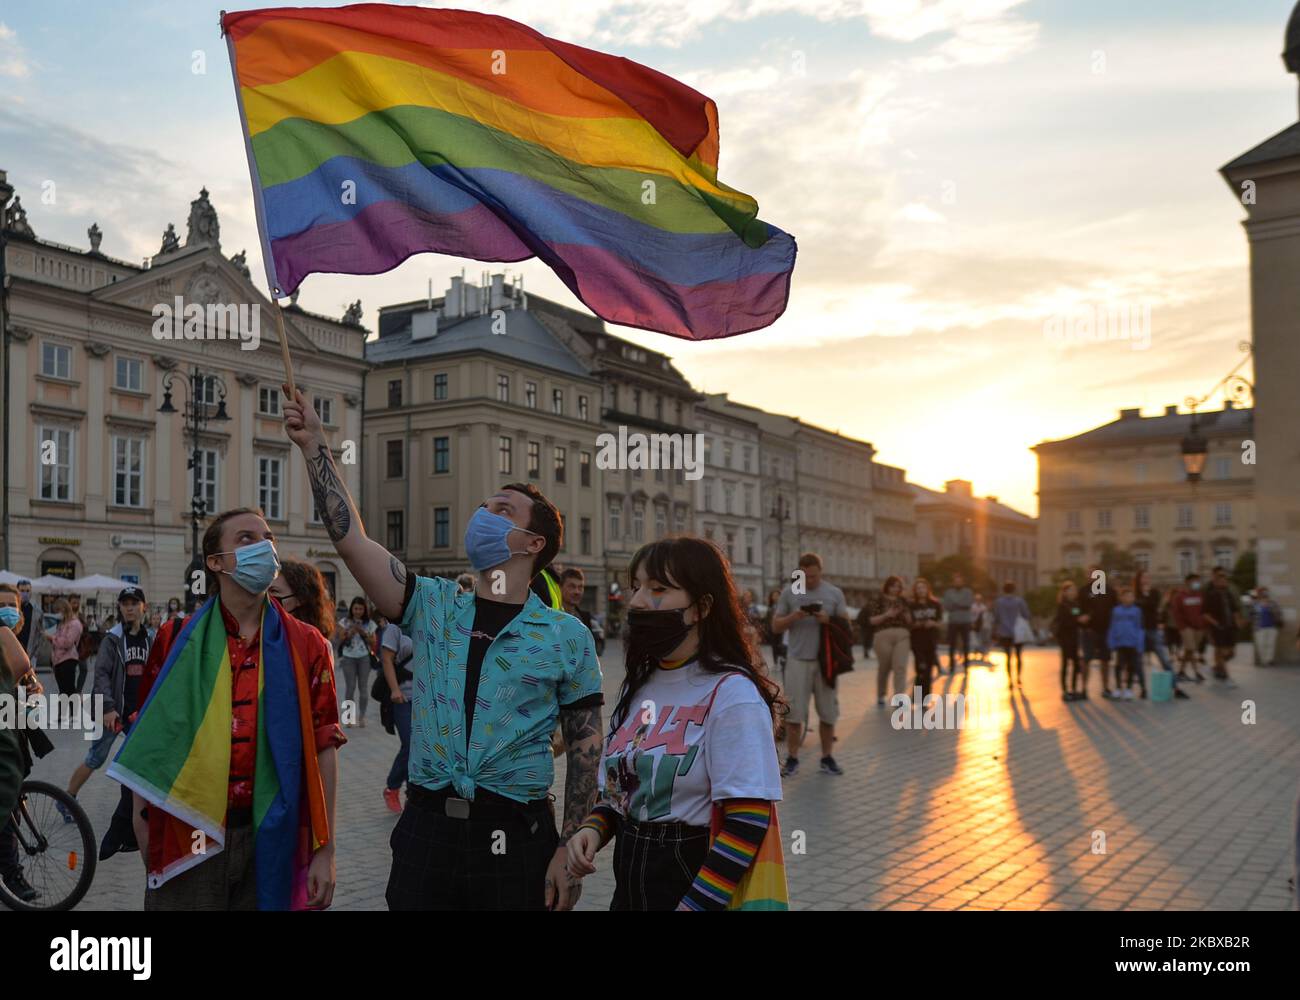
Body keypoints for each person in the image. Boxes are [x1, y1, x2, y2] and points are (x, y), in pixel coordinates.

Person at [284, 386, 603, 911]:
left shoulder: (566, 637)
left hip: (516, 837)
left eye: (502, 509)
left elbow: (587, 752)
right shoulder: (433, 604)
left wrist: (568, 851)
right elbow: (351, 541)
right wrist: (316, 447)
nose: (484, 514)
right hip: (429, 829)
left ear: (533, 543)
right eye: (484, 506)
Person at [110, 508, 344, 911]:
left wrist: (326, 849)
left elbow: (325, 746)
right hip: (188, 829)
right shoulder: (176, 638)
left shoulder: (307, 645)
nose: (264, 546)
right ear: (216, 563)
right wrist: (141, 818)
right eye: (246, 539)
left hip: (271, 831)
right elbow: (150, 733)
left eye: (268, 537)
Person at [566, 537, 785, 910]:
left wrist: (695, 905)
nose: (636, 601)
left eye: (658, 589)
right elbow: (623, 790)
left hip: (695, 885)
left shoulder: (732, 694)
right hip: (631, 889)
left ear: (701, 607)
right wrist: (593, 828)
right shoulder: (641, 684)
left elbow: (747, 819)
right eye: (635, 587)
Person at [65, 587, 152, 855]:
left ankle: (136, 816)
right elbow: (101, 675)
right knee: (96, 757)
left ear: (143, 607)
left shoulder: (151, 638)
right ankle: (67, 799)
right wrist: (108, 708)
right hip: (112, 713)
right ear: (120, 608)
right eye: (125, 603)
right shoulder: (113, 640)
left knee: (141, 762)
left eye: (134, 603)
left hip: (139, 714)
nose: (129, 608)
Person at [771, 552, 847, 777]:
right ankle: (792, 758)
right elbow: (775, 627)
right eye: (805, 576)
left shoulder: (834, 593)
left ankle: (827, 757)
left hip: (826, 661)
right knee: (794, 714)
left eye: (813, 576)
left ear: (820, 572)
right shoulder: (789, 592)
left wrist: (828, 620)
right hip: (797, 659)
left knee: (828, 712)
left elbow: (847, 626)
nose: (810, 581)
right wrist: (794, 617)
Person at [0, 583, 42, 902]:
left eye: (11, 606)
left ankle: (11, 872)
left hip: (14, 736)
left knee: (11, 804)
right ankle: (11, 874)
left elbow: (30, 686)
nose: (6, 611)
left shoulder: (14, 643)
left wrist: (32, 695)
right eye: (0, 605)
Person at [377, 616, 415, 814]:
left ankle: (413, 795)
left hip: (426, 698)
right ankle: (392, 787)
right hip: (403, 698)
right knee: (411, 744)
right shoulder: (395, 627)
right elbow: (386, 659)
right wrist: (394, 690)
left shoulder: (430, 618)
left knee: (419, 748)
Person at [1135, 570, 1186, 700]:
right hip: (1139, 631)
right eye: (1143, 577)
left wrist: (1145, 597)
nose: (1146, 580)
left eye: (1147, 577)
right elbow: (1137, 606)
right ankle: (1143, 689)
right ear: (1138, 579)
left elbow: (1153, 605)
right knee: (1138, 662)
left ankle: (1176, 688)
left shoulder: (1154, 593)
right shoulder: (1135, 593)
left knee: (1164, 660)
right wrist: (1143, 601)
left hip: (1152, 630)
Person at [867, 576, 912, 707]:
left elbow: (910, 621)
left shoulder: (903, 601)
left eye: (898, 586)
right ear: (887, 586)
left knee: (900, 667)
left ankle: (899, 697)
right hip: (883, 634)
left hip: (902, 634)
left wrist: (904, 613)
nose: (896, 589)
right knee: (884, 667)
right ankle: (881, 694)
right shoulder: (878, 600)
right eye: (893, 586)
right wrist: (887, 614)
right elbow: (871, 621)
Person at [334, 596, 378, 727]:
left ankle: (362, 716)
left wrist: (363, 632)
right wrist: (351, 631)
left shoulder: (369, 623)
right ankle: (349, 717)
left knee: (363, 687)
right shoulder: (344, 622)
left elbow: (373, 642)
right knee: (350, 687)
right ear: (351, 609)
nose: (358, 611)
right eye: (355, 608)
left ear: (364, 610)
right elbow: (340, 639)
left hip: (364, 657)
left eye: (360, 609)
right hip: (348, 657)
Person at [1081, 566, 1118, 697]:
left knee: (1105, 660)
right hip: (1089, 631)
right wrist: (1080, 616)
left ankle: (1106, 688)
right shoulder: (1084, 591)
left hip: (1106, 631)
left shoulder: (1110, 591)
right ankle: (1083, 689)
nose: (1091, 575)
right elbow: (1077, 609)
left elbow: (1116, 609)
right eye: (1089, 572)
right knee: (1086, 659)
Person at [1204, 567, 1241, 686]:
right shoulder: (1211, 594)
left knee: (1231, 653)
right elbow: (1205, 613)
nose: (1224, 582)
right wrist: (1215, 624)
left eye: (1225, 579)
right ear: (1216, 581)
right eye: (1221, 579)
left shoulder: (1229, 594)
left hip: (1230, 627)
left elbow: (1235, 609)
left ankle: (1217, 667)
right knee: (1220, 651)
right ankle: (1226, 676)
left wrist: (1238, 621)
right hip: (1218, 628)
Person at [1107, 587, 1145, 700]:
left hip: (1132, 642)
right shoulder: (1116, 611)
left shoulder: (1137, 611)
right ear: (1121, 598)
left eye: (1131, 596)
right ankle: (1118, 688)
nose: (1129, 598)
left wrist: (1139, 643)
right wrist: (1111, 641)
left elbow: (1140, 627)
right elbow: (1112, 626)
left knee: (1131, 666)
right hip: (1120, 642)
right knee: (1119, 665)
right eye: (1126, 596)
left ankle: (1128, 689)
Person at [907, 578, 943, 699]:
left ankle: (925, 697)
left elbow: (940, 622)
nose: (921, 590)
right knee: (921, 667)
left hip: (931, 640)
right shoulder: (911, 605)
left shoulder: (935, 604)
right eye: (918, 588)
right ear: (915, 591)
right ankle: (917, 696)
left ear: (927, 589)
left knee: (929, 669)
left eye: (923, 588)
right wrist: (916, 624)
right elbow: (908, 623)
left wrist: (933, 623)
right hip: (917, 640)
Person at [49, 597, 84, 718]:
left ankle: (73, 714)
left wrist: (52, 639)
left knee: (68, 688)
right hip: (58, 660)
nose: (57, 614)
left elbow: (67, 643)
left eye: (58, 611)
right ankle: (63, 714)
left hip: (68, 659)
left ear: (63, 609)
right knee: (63, 689)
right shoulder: (62, 623)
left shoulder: (74, 624)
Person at [993, 581, 1031, 689]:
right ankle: (1018, 677)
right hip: (1018, 632)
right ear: (1014, 590)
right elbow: (1026, 615)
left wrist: (995, 629)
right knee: (1018, 656)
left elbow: (996, 617)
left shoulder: (999, 602)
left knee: (1007, 657)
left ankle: (1009, 679)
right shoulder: (1019, 601)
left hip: (1005, 632)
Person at [1170, 573, 1208, 682]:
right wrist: (1181, 626)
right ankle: (1197, 673)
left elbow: (1205, 610)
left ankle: (1181, 671)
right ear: (1187, 582)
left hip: (1199, 627)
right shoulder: (1180, 596)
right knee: (1191, 648)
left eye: (1198, 581)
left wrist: (1203, 624)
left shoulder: (1201, 595)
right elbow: (1176, 613)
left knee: (1189, 649)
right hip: (1186, 627)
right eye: (1195, 581)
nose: (1197, 584)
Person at [1053, 580, 1087, 700]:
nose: (1073, 592)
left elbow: (1077, 618)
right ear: (1065, 592)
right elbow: (1064, 621)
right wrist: (1077, 620)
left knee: (1076, 664)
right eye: (1070, 590)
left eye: (1074, 590)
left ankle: (1073, 689)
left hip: (1074, 638)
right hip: (1065, 638)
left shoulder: (1076, 605)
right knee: (1065, 664)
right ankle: (1065, 690)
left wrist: (1082, 620)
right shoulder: (1062, 606)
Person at [941, 573, 973, 674]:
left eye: (959, 580)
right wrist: (960, 605)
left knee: (966, 644)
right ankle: (951, 665)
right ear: (953, 582)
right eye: (956, 581)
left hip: (965, 621)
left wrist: (955, 604)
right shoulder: (948, 592)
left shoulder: (968, 592)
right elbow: (946, 605)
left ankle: (967, 664)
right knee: (952, 644)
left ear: (963, 582)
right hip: (953, 621)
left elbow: (968, 604)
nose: (958, 582)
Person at [1253, 587, 1282, 666]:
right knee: (1261, 644)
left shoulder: (1272, 603)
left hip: (1272, 627)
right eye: (1262, 593)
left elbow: (1278, 614)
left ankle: (1269, 660)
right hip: (1259, 628)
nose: (1264, 594)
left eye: (1265, 593)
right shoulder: (1256, 604)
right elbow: (1252, 615)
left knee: (1270, 644)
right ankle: (1263, 661)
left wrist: (1278, 620)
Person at [560, 567, 594, 632]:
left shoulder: (585, 618)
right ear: (560, 587)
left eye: (580, 587)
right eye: (572, 586)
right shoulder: (552, 616)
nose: (577, 592)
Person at [970, 591, 990, 664]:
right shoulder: (973, 606)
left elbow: (985, 617)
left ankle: (982, 655)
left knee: (981, 641)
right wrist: (972, 624)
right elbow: (971, 616)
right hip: (975, 626)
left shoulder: (983, 607)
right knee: (975, 641)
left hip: (982, 626)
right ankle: (976, 654)